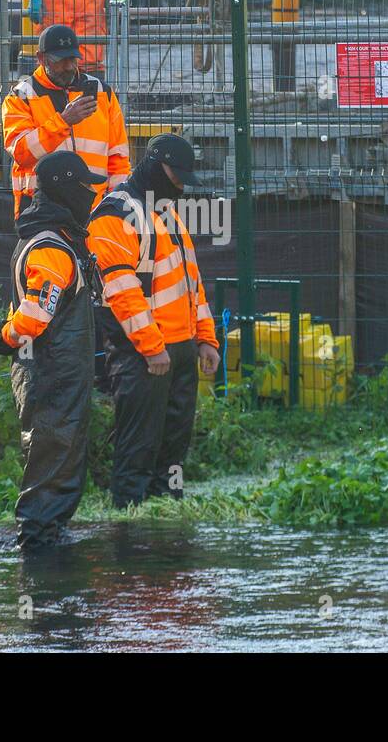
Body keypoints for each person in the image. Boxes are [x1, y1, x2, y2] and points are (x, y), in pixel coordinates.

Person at [87, 134, 220, 507]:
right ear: (153, 165)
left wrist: (206, 338)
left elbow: (191, 282)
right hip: (143, 352)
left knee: (175, 441)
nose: (179, 183)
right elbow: (121, 291)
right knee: (139, 442)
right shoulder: (115, 214)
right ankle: (128, 511)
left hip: (178, 349)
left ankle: (169, 499)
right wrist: (151, 348)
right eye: (174, 175)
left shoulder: (166, 212)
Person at [0, 152, 104, 549]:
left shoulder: (61, 238)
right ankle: (36, 540)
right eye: (85, 187)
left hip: (61, 370)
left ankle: (51, 533)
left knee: (62, 450)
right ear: (66, 190)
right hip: (50, 371)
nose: (91, 194)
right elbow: (36, 314)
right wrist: (7, 337)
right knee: (51, 451)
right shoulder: (52, 247)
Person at [2, 24, 129, 218]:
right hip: (42, 209)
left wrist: (115, 204)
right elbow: (21, 152)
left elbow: (118, 157)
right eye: (61, 60)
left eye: (73, 58)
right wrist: (63, 121)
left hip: (94, 209)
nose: (69, 66)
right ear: (41, 58)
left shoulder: (103, 93)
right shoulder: (21, 96)